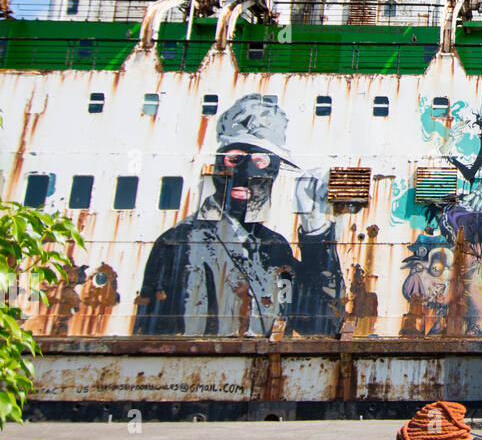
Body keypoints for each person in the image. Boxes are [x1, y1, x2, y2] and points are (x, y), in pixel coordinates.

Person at [133, 94, 343, 337]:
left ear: (274, 170)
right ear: (217, 165)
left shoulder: (273, 248)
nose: (244, 173)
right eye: (234, 159)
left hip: (265, 371)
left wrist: (315, 233)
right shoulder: (182, 243)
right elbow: (170, 340)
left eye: (260, 161)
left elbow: (323, 325)